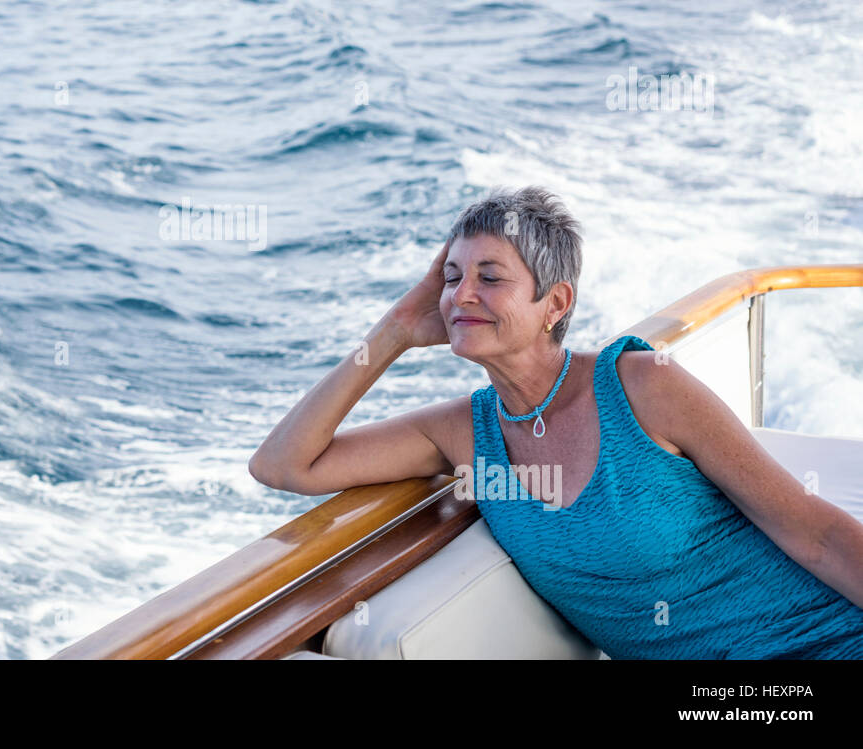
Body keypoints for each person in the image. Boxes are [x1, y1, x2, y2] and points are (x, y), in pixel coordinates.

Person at [248, 185, 863, 658]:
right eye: (452, 279)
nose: (462, 296)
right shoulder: (463, 432)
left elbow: (816, 533)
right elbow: (282, 465)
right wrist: (393, 332)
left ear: (556, 303)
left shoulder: (644, 385)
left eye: (491, 279)